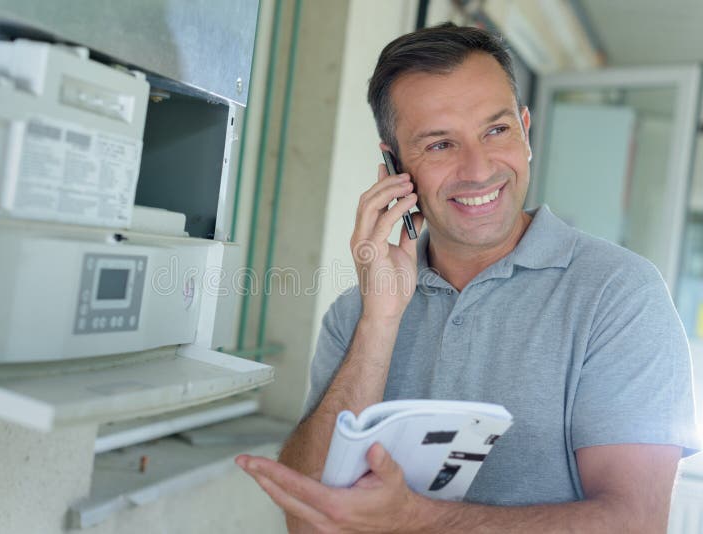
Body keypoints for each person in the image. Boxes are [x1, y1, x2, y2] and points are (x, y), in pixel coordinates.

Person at [236, 22, 698, 533]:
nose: (478, 170)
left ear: (525, 132)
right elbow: (308, 519)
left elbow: (634, 523)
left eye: (496, 131)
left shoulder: (619, 294)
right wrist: (380, 323)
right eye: (439, 145)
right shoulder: (357, 314)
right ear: (394, 166)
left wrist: (416, 519)